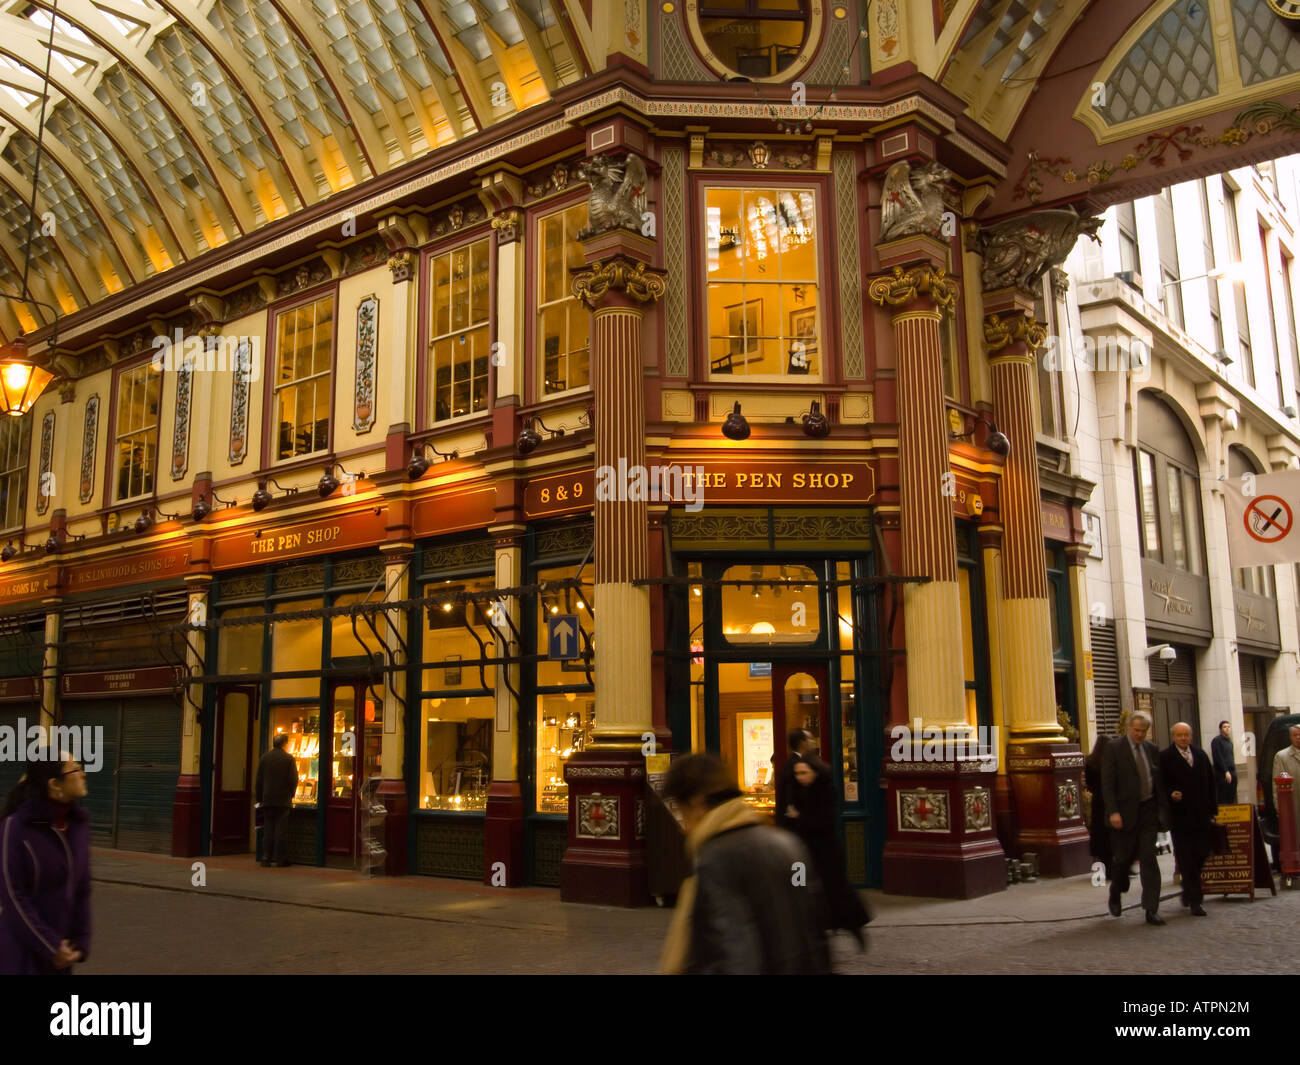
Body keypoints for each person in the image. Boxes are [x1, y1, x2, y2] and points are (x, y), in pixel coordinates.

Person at [659, 753, 830, 974]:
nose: (684, 827)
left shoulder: (715, 860)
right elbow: (815, 935)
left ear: (696, 803)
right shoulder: (788, 846)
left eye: (681, 812)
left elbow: (735, 955)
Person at [0, 753, 92, 975]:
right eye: (75, 769)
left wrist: (80, 943)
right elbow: (13, 896)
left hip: (61, 956)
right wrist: (50, 945)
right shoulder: (15, 827)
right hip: (21, 955)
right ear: (55, 784)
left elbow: (82, 889)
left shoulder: (78, 826)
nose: (83, 774)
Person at [786, 754, 869, 946]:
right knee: (800, 889)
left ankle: (852, 926)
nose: (800, 777)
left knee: (835, 891)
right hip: (802, 852)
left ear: (815, 772)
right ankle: (816, 934)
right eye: (797, 773)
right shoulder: (796, 790)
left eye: (804, 773)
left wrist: (798, 817)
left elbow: (823, 822)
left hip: (825, 851)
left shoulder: (826, 790)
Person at [1101, 711, 1168, 925]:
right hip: (1123, 812)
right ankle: (1115, 892)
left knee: (1148, 858)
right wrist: (1113, 811)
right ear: (1129, 728)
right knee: (1123, 859)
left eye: (1143, 731)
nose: (1139, 735)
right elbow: (1107, 783)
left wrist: (1162, 810)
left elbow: (1158, 781)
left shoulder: (1152, 750)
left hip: (1148, 810)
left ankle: (1151, 908)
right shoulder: (1114, 748)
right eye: (1136, 730)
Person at [1159, 722, 1218, 917]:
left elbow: (1211, 781)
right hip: (1180, 818)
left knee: (1201, 854)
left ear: (1191, 736)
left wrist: (1213, 809)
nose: (1183, 738)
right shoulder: (1166, 758)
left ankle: (1187, 886)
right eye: (1179, 735)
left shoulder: (1200, 754)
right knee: (1186, 859)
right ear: (1173, 737)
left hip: (1201, 815)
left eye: (1186, 735)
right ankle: (1195, 900)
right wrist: (1170, 794)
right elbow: (1160, 784)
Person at [256, 732, 299, 867]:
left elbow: (259, 781)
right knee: (281, 830)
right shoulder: (288, 759)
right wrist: (291, 794)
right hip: (283, 799)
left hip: (267, 798)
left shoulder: (264, 758)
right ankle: (280, 859)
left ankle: (266, 857)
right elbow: (293, 780)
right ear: (285, 744)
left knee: (268, 828)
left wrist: (260, 797)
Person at [774, 728, 816, 831]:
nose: (813, 742)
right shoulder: (796, 764)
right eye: (808, 739)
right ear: (802, 743)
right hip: (795, 825)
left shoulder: (794, 762)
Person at [1084, 734, 1112, 881]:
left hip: (1097, 802)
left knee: (1099, 835)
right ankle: (1112, 869)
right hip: (1110, 801)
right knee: (1110, 836)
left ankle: (1100, 870)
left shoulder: (1090, 761)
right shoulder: (1112, 762)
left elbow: (1089, 784)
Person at [1273, 724, 1300, 845]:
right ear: (1290, 737)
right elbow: (1276, 785)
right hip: (1293, 804)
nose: (1298, 737)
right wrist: (1279, 807)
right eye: (1295, 735)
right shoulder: (1281, 756)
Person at [1210, 721, 1237, 806]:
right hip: (1222, 772)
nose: (1227, 728)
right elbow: (1218, 757)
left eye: (1229, 727)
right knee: (1223, 797)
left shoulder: (1229, 742)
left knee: (1231, 796)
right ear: (1221, 729)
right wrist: (1225, 771)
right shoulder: (1216, 740)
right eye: (1225, 727)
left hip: (1232, 771)